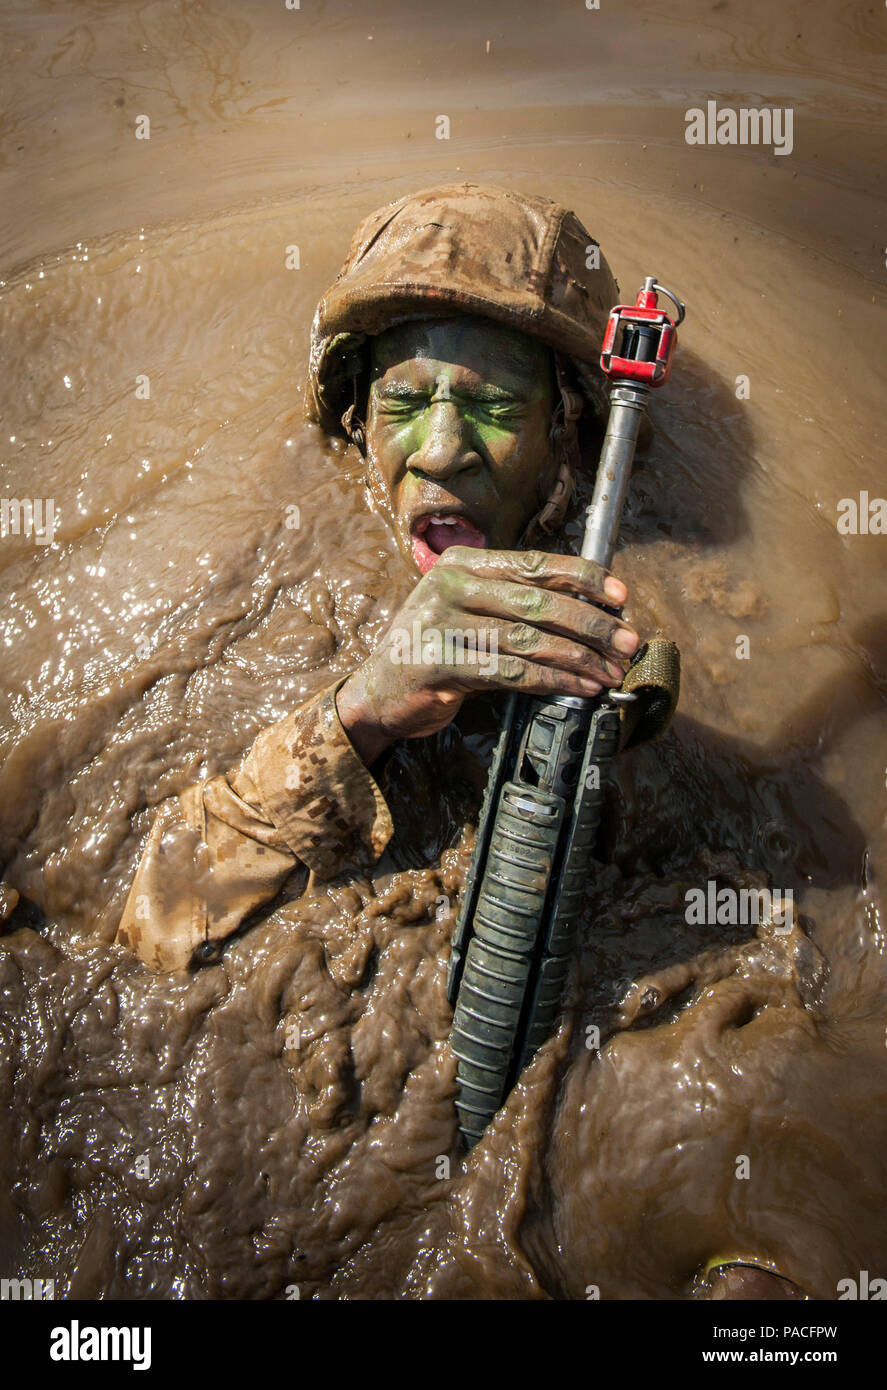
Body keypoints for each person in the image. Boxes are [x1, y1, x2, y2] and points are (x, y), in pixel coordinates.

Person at [116, 181, 665, 973]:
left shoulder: (655, 607)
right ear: (355, 420)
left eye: (497, 406)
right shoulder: (252, 572)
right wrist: (363, 709)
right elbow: (149, 932)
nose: (439, 450)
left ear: (566, 430)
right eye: (403, 399)